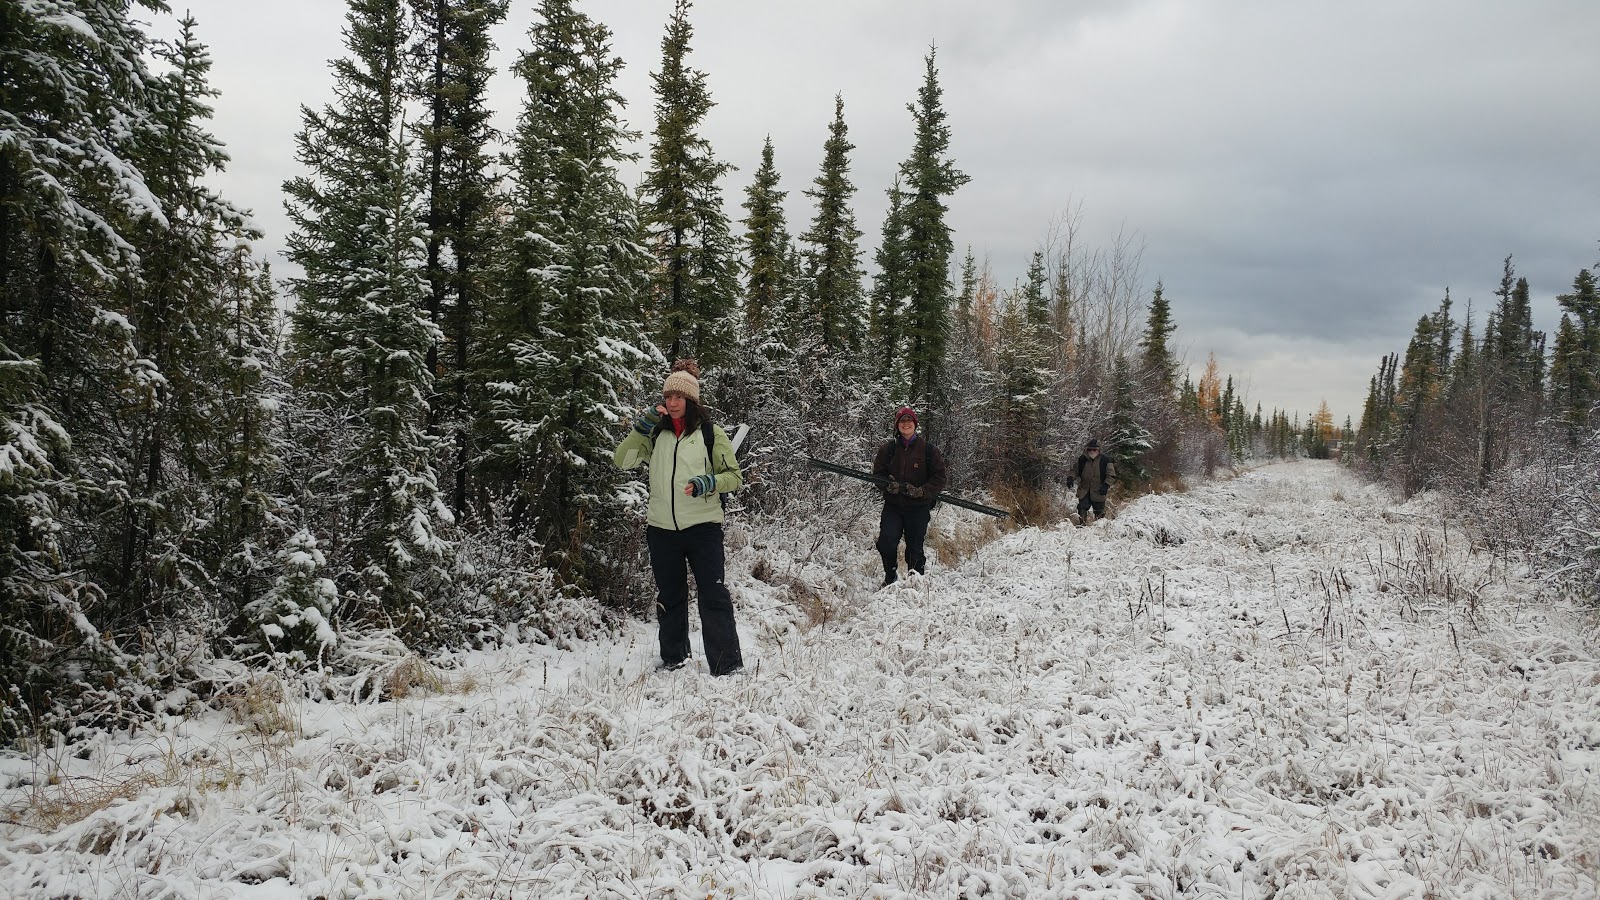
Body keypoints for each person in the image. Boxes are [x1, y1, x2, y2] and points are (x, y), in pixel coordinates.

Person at [612, 359, 745, 675]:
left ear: (691, 401)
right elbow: (622, 461)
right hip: (661, 529)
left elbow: (734, 477)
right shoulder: (655, 435)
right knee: (669, 596)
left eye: (679, 397)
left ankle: (727, 666)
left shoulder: (710, 434)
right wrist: (641, 429)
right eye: (668, 396)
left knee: (713, 594)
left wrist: (709, 482)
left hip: (703, 528)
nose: (672, 403)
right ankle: (674, 658)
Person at [872, 406, 948, 586]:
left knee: (915, 549)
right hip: (893, 506)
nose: (906, 424)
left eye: (909, 421)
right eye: (902, 421)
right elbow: (878, 475)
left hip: (918, 508)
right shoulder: (888, 449)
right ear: (897, 425)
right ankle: (890, 578)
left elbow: (940, 478)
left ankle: (916, 583)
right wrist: (887, 485)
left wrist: (922, 491)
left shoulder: (929, 451)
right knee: (886, 542)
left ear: (915, 424)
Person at [1069, 437, 1116, 525]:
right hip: (1084, 490)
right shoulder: (1082, 459)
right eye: (1090, 449)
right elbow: (1075, 470)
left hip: (1099, 490)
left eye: (1094, 450)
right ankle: (1082, 526)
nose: (1092, 451)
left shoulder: (1105, 460)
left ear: (1099, 450)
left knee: (1099, 513)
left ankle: (1098, 529)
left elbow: (1111, 475)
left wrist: (1106, 485)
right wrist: (1070, 478)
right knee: (1081, 508)